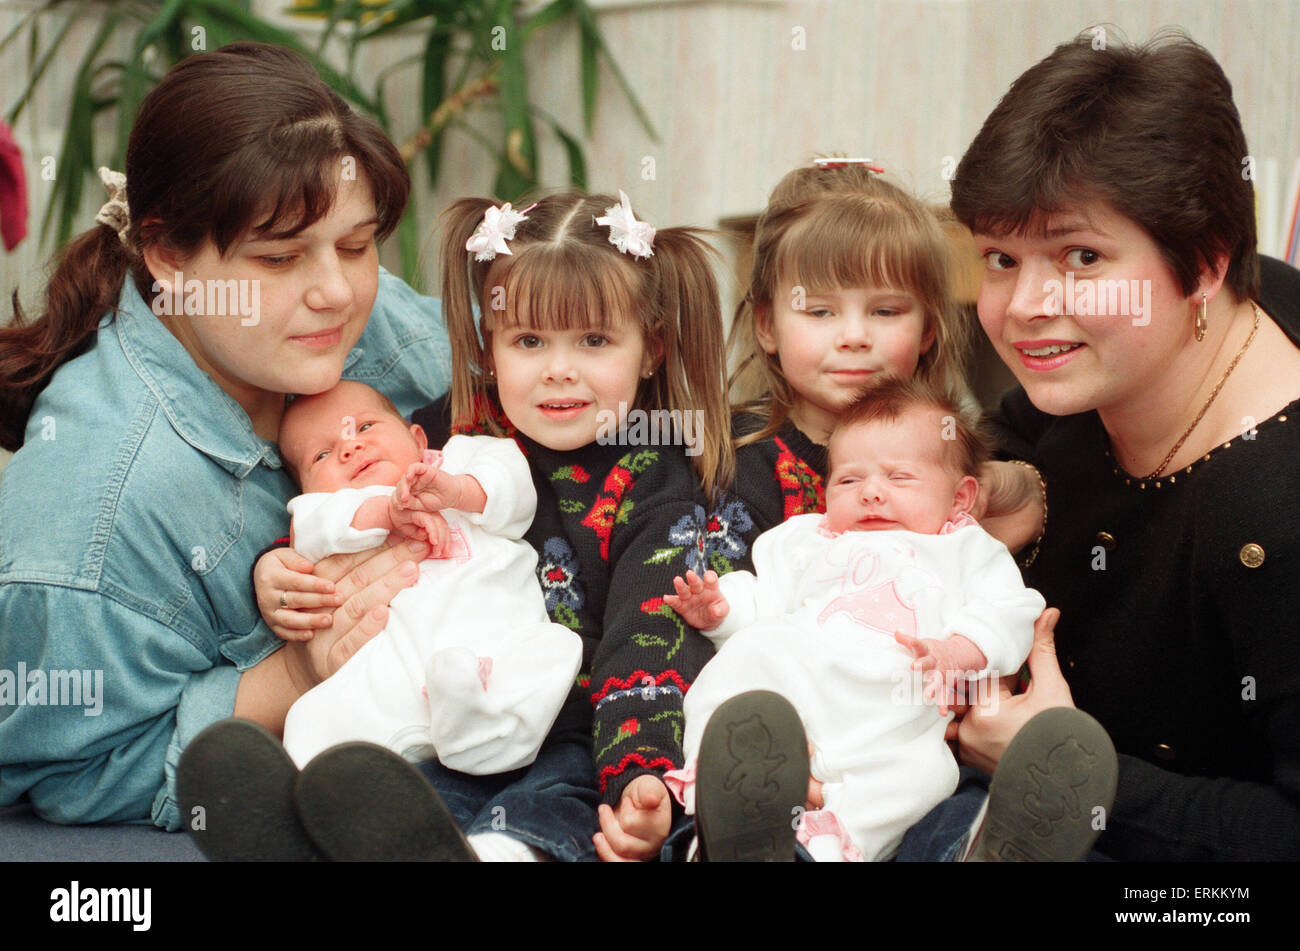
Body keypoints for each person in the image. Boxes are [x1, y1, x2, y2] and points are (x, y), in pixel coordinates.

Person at [179, 189, 735, 862]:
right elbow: (358, 494)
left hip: (577, 721)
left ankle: (495, 853)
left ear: (650, 349)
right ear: (486, 344)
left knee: (549, 801)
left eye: (593, 340)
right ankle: (301, 837)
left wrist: (637, 774)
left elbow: (646, 636)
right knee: (399, 785)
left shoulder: (657, 478)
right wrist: (279, 564)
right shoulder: (456, 426)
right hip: (440, 711)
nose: (559, 368)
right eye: (529, 340)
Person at [0, 43, 450, 831]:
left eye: (357, 244)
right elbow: (67, 768)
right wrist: (297, 669)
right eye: (279, 259)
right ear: (169, 254)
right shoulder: (91, 527)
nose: (338, 291)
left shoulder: (349, 322)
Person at [907, 30, 1300, 861]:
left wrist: (1060, 766)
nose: (1022, 306)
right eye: (1001, 258)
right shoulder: (1105, 356)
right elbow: (1019, 431)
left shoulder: (1275, 511)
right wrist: (1017, 485)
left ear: (1203, 263)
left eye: (1080, 256)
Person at [662, 377, 1085, 862]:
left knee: (928, 774)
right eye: (849, 480)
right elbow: (764, 595)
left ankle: (831, 840)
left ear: (962, 497)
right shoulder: (811, 538)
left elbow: (1011, 612)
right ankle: (725, 789)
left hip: (897, 711)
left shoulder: (967, 550)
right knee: (747, 657)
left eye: (899, 477)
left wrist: (958, 651)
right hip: (798, 692)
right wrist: (720, 609)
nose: (871, 494)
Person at [717, 161, 1043, 575]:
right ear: (767, 327)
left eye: (885, 311)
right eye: (819, 311)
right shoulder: (733, 460)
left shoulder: (950, 456)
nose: (854, 336)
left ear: (927, 328)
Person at [261, 379, 581, 771]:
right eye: (322, 455)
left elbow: (514, 485)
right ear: (305, 486)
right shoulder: (330, 510)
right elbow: (311, 533)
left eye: (364, 427)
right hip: (395, 680)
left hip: (497, 658)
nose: (350, 447)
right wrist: (384, 512)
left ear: (417, 438)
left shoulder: (463, 459)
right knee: (308, 721)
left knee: (558, 647)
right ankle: (317, 792)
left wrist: (459, 492)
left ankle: (484, 737)